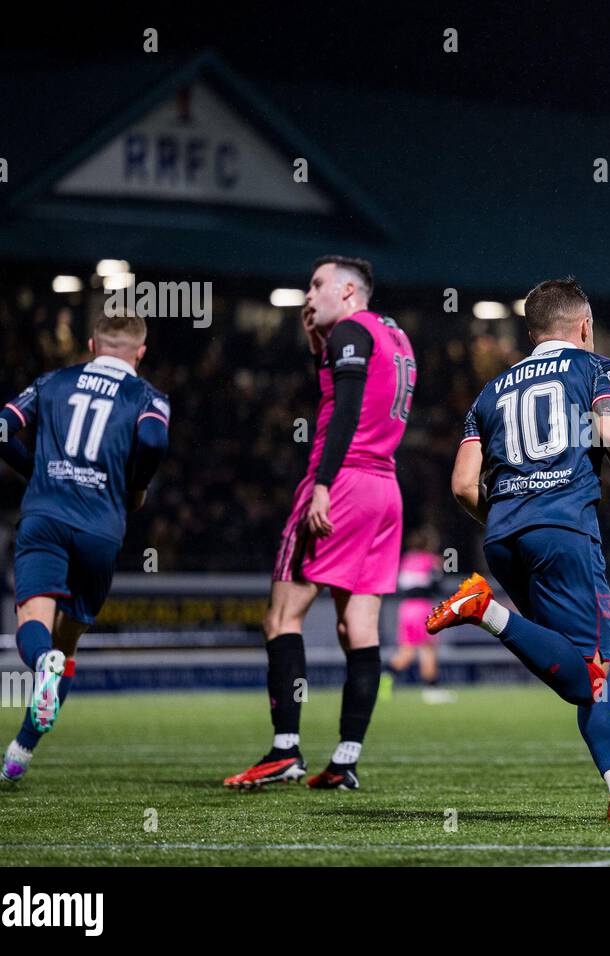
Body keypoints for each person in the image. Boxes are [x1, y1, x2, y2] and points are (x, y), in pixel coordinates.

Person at [426, 277, 610, 821]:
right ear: (585, 326)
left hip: (501, 537)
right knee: (587, 674)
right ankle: (485, 610)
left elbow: (461, 485)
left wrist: (507, 513)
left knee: (591, 666)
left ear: (532, 332)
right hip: (564, 533)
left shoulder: (489, 392)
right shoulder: (599, 369)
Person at [224, 256, 415, 791]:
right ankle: (345, 759)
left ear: (350, 291)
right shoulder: (394, 337)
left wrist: (324, 484)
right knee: (358, 628)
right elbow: (354, 396)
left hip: (345, 484)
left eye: (316, 285)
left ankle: (285, 750)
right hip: (385, 489)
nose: (308, 296)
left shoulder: (350, 331)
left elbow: (347, 411)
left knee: (281, 618)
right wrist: (317, 352)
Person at [0, 312, 170, 781]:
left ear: (90, 343)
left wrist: (35, 471)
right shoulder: (148, 396)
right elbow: (151, 437)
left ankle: (39, 670)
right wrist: (137, 487)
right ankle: (22, 751)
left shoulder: (53, 381)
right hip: (101, 530)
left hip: (46, 517)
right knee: (67, 647)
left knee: (34, 626)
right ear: (141, 353)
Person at [384, 527, 454, 703]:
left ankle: (382, 681)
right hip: (422, 607)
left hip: (406, 608)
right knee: (428, 649)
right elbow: (436, 586)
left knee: (406, 651)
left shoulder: (406, 560)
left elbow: (401, 584)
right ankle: (432, 689)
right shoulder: (430, 561)